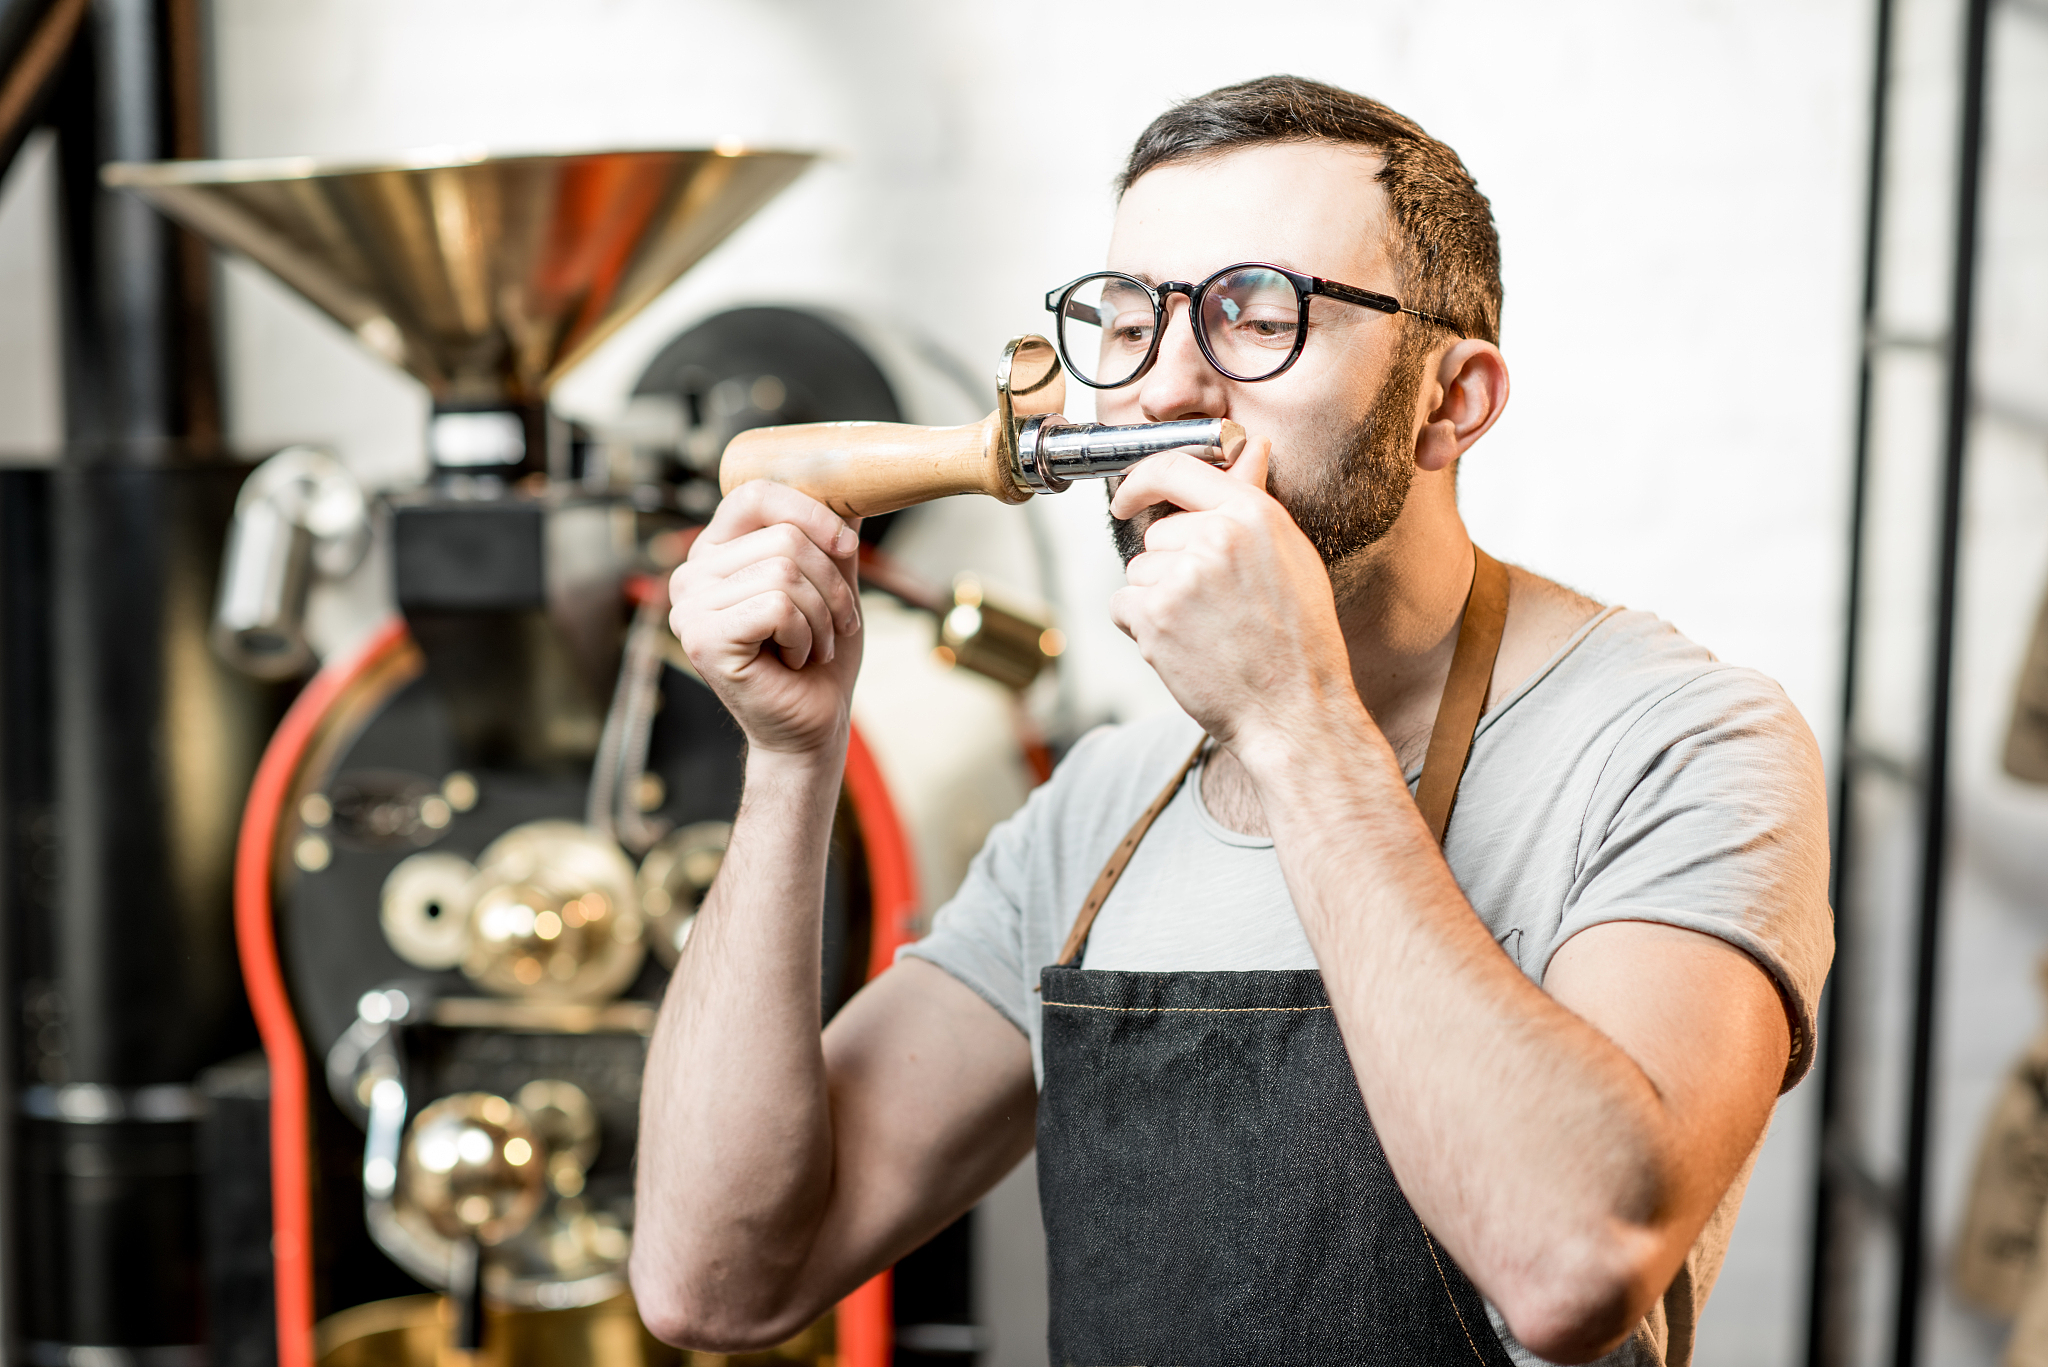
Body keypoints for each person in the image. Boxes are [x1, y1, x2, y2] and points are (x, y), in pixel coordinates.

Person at [629, 75, 1832, 1367]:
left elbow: (1574, 1264)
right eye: (1130, 321)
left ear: (1453, 401)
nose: (1159, 391)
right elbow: (716, 1283)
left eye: (1258, 316)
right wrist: (789, 761)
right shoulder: (1098, 809)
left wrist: (1293, 717)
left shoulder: (1685, 745)